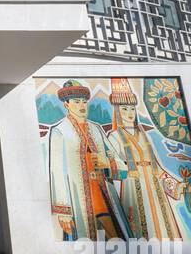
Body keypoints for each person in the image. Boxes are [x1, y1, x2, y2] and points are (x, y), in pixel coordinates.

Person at [46, 80, 132, 241]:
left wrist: (107, 162)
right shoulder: (60, 131)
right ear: (66, 104)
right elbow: (56, 171)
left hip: (104, 192)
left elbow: (117, 160)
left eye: (84, 102)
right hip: (78, 196)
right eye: (77, 102)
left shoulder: (96, 128)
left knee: (116, 237)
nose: (82, 105)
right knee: (84, 240)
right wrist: (64, 210)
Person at [104, 78, 189, 239]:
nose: (129, 113)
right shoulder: (114, 136)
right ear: (117, 112)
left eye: (131, 109)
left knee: (162, 222)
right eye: (124, 109)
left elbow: (156, 166)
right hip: (132, 184)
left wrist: (176, 186)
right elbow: (114, 165)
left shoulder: (144, 135)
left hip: (153, 183)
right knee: (138, 223)